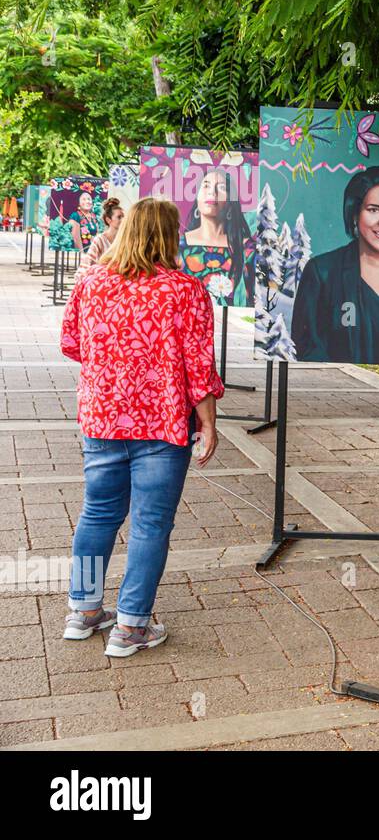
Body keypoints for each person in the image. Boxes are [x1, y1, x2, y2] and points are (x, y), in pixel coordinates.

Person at [59, 197, 223, 657]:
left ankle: (84, 611)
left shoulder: (91, 282)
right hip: (162, 424)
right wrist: (208, 424)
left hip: (103, 418)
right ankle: (131, 626)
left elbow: (72, 344)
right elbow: (199, 368)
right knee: (151, 524)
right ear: (170, 235)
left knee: (97, 514)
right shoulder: (186, 290)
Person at [291, 166, 379, 364]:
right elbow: (308, 346)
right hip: (344, 391)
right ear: (355, 214)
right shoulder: (322, 272)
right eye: (374, 210)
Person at [180, 166, 254, 305]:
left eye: (221, 188)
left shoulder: (248, 250)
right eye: (206, 186)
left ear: (231, 204)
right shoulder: (178, 247)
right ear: (197, 199)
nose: (212, 193)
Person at [74, 198, 126, 285]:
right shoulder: (100, 240)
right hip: (102, 283)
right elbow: (87, 264)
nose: (123, 220)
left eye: (124, 217)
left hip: (121, 283)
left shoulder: (126, 240)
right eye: (119, 217)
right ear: (108, 220)